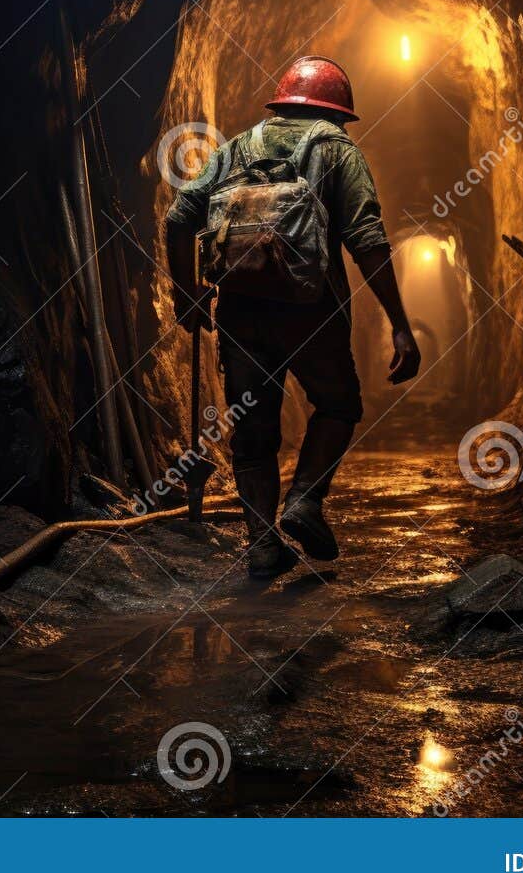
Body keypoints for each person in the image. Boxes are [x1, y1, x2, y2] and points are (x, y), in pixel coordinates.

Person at [164, 56, 421, 578]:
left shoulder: (236, 147)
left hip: (240, 315)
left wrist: (186, 293)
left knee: (252, 434)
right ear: (337, 112)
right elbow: (366, 240)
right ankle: (304, 500)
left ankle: (262, 543)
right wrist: (398, 322)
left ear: (279, 103)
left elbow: (178, 217)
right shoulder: (337, 149)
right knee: (338, 404)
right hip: (311, 313)